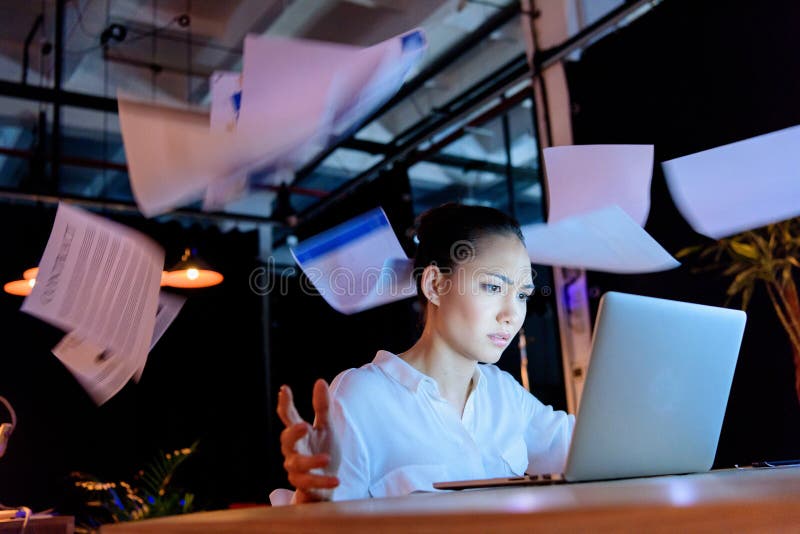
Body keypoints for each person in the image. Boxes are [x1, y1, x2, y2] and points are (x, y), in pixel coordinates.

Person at [273, 203, 574, 504]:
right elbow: (326, 513)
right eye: (494, 287)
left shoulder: (505, 394)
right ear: (435, 285)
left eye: (522, 295)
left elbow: (585, 446)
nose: (512, 314)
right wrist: (315, 498)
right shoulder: (362, 396)